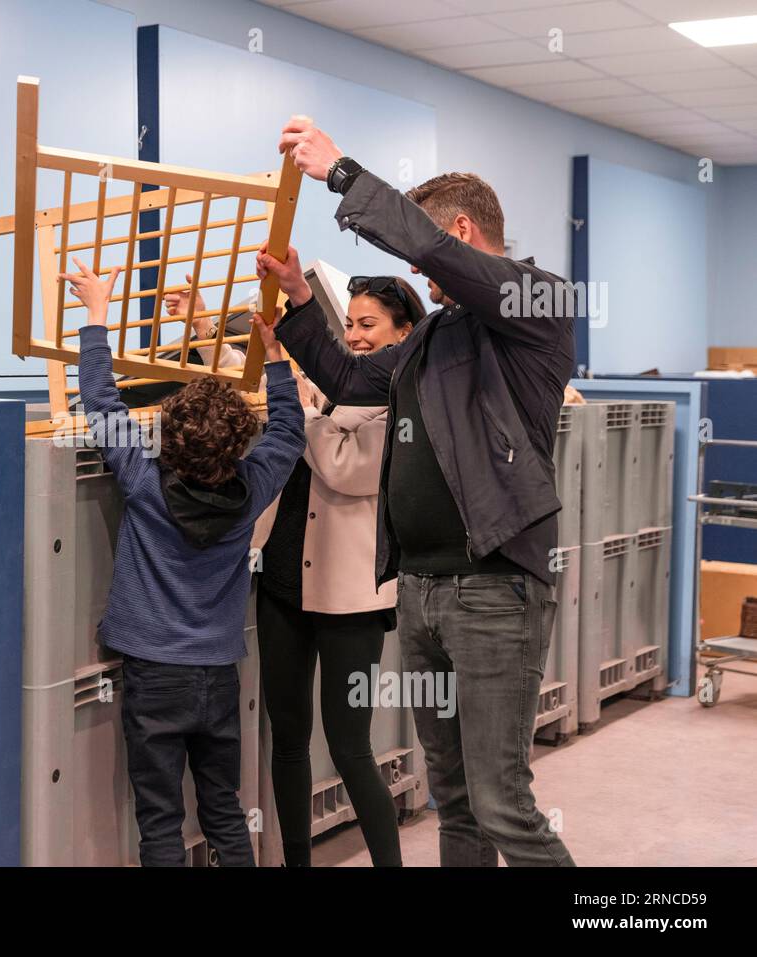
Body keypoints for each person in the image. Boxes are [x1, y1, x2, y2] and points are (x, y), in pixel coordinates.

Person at [258, 116, 577, 867]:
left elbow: (431, 251)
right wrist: (303, 301)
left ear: (465, 229)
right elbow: (346, 380)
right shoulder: (435, 337)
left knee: (504, 804)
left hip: (494, 589)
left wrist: (342, 174)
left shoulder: (538, 303)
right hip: (424, 589)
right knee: (455, 801)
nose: (424, 276)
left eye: (432, 252)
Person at [62, 256, 305, 867]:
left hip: (153, 674)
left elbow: (100, 403)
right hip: (217, 672)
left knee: (160, 815)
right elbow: (288, 432)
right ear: (238, 443)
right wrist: (274, 354)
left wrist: (96, 312)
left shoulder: (144, 484)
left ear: (166, 437)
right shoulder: (252, 489)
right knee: (224, 806)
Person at [252, 275, 426, 868]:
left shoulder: (403, 401)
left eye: (368, 324)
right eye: (348, 323)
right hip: (281, 584)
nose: (354, 336)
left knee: (350, 747)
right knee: (288, 738)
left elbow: (347, 470)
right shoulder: (333, 392)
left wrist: (301, 414)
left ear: (404, 335)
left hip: (351, 598)